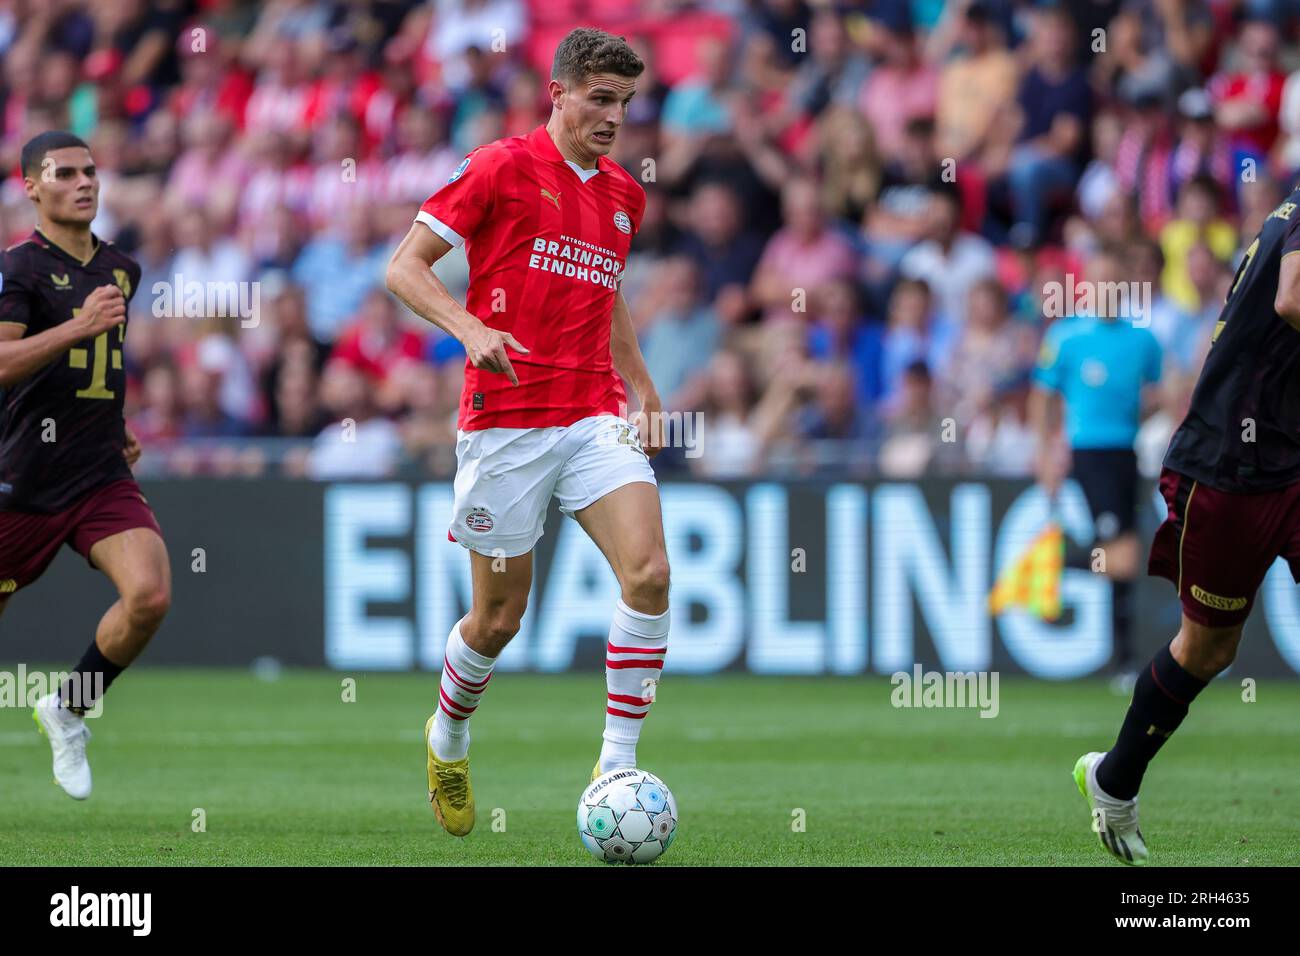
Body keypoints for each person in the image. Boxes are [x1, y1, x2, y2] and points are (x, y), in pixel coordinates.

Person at [386, 29, 669, 838]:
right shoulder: (498, 167)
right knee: (499, 619)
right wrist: (468, 327)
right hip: (505, 423)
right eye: (600, 99)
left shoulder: (624, 195)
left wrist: (642, 384)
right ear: (559, 92)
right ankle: (447, 735)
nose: (615, 117)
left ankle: (616, 764)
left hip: (591, 416)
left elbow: (606, 288)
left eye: (625, 102)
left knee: (648, 574)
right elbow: (404, 268)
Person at [1074, 183, 1300, 865]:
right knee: (1207, 651)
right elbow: (1291, 299)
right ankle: (1114, 783)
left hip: (1293, 461)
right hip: (1231, 461)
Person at [0, 131, 171, 800]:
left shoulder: (121, 268)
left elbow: (93, 367)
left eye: (91, 172)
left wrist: (116, 422)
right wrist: (76, 327)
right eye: (65, 173)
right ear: (32, 188)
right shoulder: (19, 267)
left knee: (151, 594)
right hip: (22, 480)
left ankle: (68, 707)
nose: (84, 183)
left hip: (98, 470)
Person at [1030, 246, 1163, 689]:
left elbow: (1156, 392)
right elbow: (1042, 396)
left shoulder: (1142, 340)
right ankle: (1059, 560)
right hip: (1089, 452)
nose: (1106, 290)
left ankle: (1123, 660)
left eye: (1114, 282)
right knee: (1120, 554)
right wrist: (1046, 451)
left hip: (1127, 453)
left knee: (1123, 553)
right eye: (1098, 282)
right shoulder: (1066, 337)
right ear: (1084, 287)